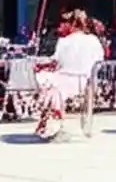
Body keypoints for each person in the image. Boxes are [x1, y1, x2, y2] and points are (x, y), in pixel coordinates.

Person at [34, 9, 105, 138]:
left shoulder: (65, 41)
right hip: (86, 81)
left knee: (47, 82)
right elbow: (99, 60)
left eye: (63, 23)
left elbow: (56, 61)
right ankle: (51, 118)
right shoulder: (94, 40)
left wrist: (41, 65)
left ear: (72, 24)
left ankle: (50, 117)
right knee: (52, 85)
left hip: (65, 78)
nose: (61, 27)